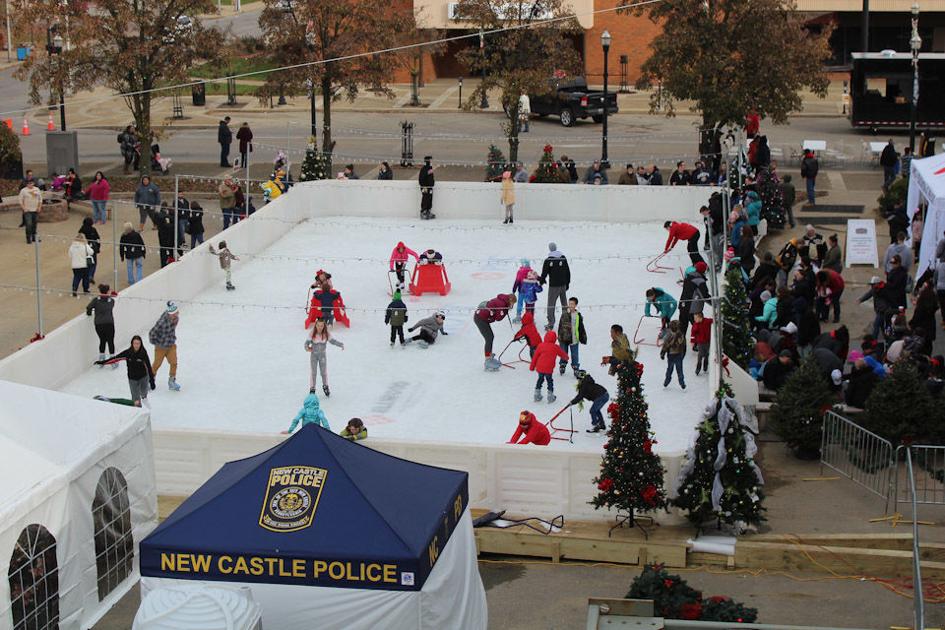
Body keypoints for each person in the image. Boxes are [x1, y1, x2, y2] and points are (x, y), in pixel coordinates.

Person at [95, 335, 155, 407]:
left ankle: (144, 398)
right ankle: (139, 410)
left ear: (141, 344)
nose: (136, 345)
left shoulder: (143, 353)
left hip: (143, 377)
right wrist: (103, 362)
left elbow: (148, 366)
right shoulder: (128, 353)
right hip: (132, 379)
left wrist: (152, 381)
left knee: (144, 393)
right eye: (135, 343)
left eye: (138, 343)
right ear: (132, 344)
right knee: (136, 400)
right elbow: (115, 359)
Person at [305, 317, 344, 397]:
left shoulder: (326, 333)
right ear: (316, 325)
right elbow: (306, 343)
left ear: (324, 326)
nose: (320, 327)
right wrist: (307, 348)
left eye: (322, 326)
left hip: (322, 355)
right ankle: (312, 388)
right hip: (314, 355)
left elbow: (333, 341)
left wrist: (340, 344)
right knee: (313, 372)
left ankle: (325, 386)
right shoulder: (312, 333)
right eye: (318, 325)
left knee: (323, 372)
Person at [475, 294, 516, 369]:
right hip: (480, 318)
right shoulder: (502, 304)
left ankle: (489, 356)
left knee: (490, 337)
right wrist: (505, 311)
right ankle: (487, 360)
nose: (512, 306)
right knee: (489, 338)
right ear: (510, 301)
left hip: (482, 317)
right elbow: (498, 318)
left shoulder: (502, 301)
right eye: (513, 304)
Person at [149, 301, 181, 391]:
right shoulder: (162, 322)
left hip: (171, 345)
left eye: (176, 313)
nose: (175, 315)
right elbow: (152, 333)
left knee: (174, 363)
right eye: (173, 314)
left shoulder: (176, 318)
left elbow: (172, 329)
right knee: (157, 364)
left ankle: (172, 381)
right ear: (168, 313)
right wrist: (157, 342)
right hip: (161, 347)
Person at [530, 330, 569, 403]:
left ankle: (537, 394)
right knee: (549, 381)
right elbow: (562, 354)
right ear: (554, 339)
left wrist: (532, 367)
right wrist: (566, 357)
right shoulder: (555, 347)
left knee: (540, 380)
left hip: (540, 368)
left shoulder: (540, 345)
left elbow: (535, 357)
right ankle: (550, 396)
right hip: (548, 369)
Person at [539, 242, 571, 329]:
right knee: (564, 303)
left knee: (551, 305)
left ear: (550, 249)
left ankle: (550, 323)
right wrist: (567, 283)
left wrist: (541, 282)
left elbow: (544, 273)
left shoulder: (548, 260)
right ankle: (566, 321)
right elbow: (567, 272)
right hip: (563, 285)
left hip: (554, 286)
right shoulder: (563, 258)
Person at [86, 284, 116, 363]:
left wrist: (89, 313)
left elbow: (89, 307)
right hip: (109, 323)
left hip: (99, 324)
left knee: (102, 340)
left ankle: (102, 357)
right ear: (107, 292)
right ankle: (112, 358)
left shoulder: (96, 300)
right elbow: (111, 301)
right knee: (110, 341)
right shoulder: (111, 301)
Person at [557, 297, 586, 376]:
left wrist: (583, 337)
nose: (570, 305)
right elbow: (560, 326)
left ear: (576, 305)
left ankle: (575, 367)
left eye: (572, 304)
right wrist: (559, 336)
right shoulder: (564, 314)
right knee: (563, 353)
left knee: (575, 354)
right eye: (569, 304)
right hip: (564, 338)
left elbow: (581, 327)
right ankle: (562, 365)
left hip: (574, 338)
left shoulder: (578, 316)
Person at [660, 320, 686, 389]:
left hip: (678, 355)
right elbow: (665, 345)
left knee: (679, 370)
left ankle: (682, 383)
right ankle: (667, 381)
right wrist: (662, 353)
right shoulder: (669, 334)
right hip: (671, 355)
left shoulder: (680, 334)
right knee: (670, 369)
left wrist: (682, 353)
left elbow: (682, 344)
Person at [77, 217, 102, 284]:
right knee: (93, 263)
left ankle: (87, 276)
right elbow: (98, 239)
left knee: (87, 263)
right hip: (92, 248)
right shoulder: (93, 229)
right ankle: (90, 275)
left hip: (83, 249)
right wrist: (98, 247)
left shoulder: (81, 230)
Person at [68, 233, 94, 297]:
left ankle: (74, 289)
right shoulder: (85, 245)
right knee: (85, 278)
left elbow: (70, 255)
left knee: (76, 277)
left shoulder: (72, 246)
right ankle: (86, 290)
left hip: (75, 265)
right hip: (84, 265)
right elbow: (91, 252)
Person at [19, 179, 42, 244]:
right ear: (26, 184)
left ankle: (34, 237)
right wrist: (24, 208)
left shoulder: (37, 189)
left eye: (31, 183)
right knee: (29, 224)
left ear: (33, 183)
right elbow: (20, 201)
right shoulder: (23, 190)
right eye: (29, 183)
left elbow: (40, 199)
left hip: (35, 210)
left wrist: (39, 207)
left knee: (34, 224)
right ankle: (28, 238)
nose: (30, 185)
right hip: (27, 211)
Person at [418, 155, 435, 219]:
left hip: (430, 186)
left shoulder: (430, 168)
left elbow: (431, 178)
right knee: (425, 197)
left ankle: (428, 210)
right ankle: (423, 211)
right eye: (430, 160)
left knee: (430, 198)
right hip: (425, 187)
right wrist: (424, 185)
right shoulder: (424, 169)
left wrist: (432, 184)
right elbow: (421, 178)